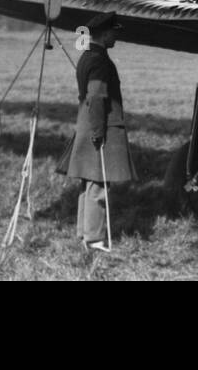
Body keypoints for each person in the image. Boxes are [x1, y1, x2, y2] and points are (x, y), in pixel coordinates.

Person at [57, 13, 136, 251]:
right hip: (100, 125)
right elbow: (98, 96)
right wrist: (98, 131)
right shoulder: (100, 60)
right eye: (114, 32)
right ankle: (94, 239)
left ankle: (85, 234)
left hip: (87, 122)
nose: (117, 36)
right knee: (98, 184)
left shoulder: (87, 56)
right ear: (104, 34)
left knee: (89, 183)